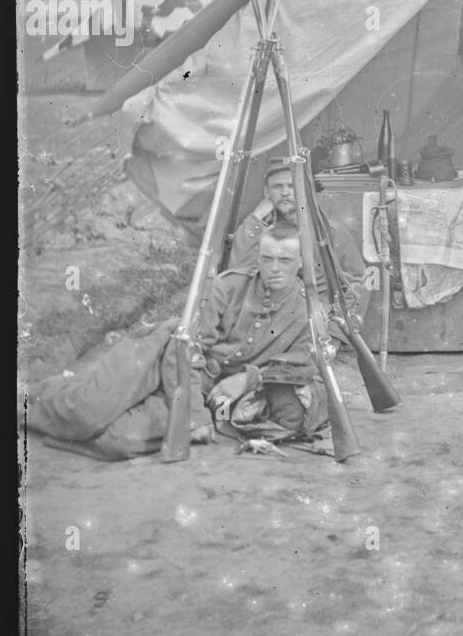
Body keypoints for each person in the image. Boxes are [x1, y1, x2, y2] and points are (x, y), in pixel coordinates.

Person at [24, 226, 329, 460]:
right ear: (258, 257)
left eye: (285, 260)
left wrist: (248, 378)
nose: (274, 268)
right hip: (158, 357)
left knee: (121, 441)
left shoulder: (308, 309)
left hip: (200, 384)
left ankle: (74, 416)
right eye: (267, 258)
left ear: (301, 263)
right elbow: (185, 349)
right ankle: (29, 398)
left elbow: (305, 362)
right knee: (89, 412)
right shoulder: (228, 286)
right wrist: (195, 416)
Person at [231, 154, 368, 326]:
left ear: (303, 190)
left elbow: (357, 283)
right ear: (267, 192)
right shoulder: (258, 231)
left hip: (315, 329)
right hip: (269, 328)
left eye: (291, 186)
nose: (285, 193)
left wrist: (336, 331)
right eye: (278, 187)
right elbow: (236, 277)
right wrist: (256, 217)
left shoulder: (329, 232)